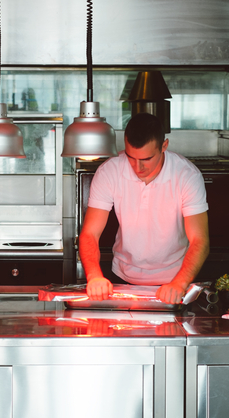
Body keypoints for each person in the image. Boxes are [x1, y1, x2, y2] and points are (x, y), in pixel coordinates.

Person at [78, 112, 210, 304]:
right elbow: (90, 233)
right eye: (131, 157)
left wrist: (179, 284)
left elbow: (200, 240)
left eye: (146, 159)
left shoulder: (187, 175)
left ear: (164, 146)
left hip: (174, 280)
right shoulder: (109, 171)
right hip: (122, 278)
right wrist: (94, 276)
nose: (137, 167)